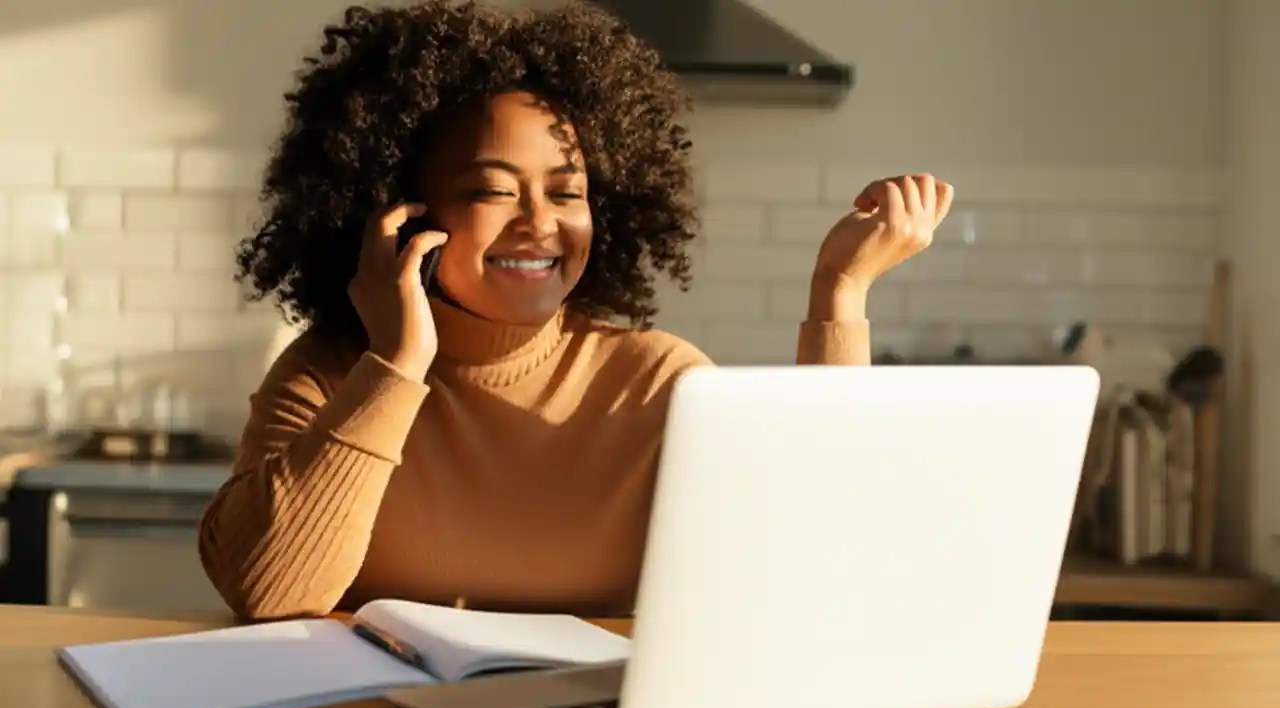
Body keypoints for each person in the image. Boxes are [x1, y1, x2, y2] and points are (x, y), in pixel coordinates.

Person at [198, 0, 954, 621]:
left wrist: (839, 292)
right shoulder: (332, 376)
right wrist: (396, 365)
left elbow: (820, 557)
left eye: (566, 192)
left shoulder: (658, 383)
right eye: (494, 191)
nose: (538, 222)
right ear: (398, 213)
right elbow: (271, 595)